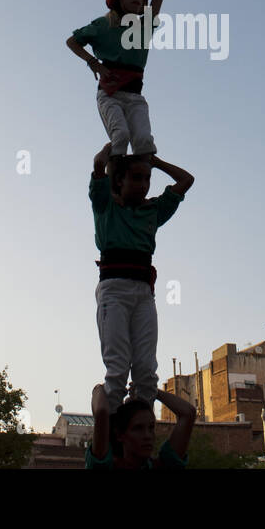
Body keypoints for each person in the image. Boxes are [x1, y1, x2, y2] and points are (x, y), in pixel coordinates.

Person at [89, 141, 193, 413]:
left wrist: (154, 163)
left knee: (146, 371)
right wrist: (110, 150)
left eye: (147, 179)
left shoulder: (153, 211)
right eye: (137, 178)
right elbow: (99, 167)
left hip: (144, 294)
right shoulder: (105, 207)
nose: (145, 184)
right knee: (117, 369)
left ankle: (141, 433)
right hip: (114, 290)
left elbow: (186, 180)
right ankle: (111, 438)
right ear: (120, 180)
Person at [66, 0, 165, 160]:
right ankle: (113, 183)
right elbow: (72, 41)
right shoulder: (103, 25)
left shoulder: (143, 26)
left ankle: (138, 185)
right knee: (120, 136)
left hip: (134, 94)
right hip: (110, 94)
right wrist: (94, 63)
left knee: (144, 141)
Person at [86, 383, 195, 469]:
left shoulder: (162, 465)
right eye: (138, 428)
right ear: (120, 434)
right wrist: (103, 386)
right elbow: (101, 413)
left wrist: (150, 389)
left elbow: (188, 413)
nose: (147, 436)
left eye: (151, 427)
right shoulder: (104, 466)